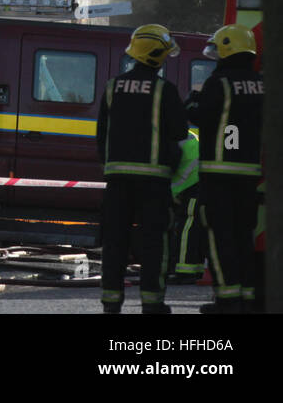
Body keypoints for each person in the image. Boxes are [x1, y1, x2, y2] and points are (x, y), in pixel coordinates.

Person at [96, 24, 187, 314]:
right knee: (154, 244)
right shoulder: (165, 91)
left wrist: (110, 168)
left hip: (118, 182)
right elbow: (180, 133)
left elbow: (101, 135)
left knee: (115, 244)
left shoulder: (113, 87)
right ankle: (152, 304)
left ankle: (111, 305)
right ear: (157, 56)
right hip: (154, 183)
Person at [188, 24, 264, 313]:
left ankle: (227, 299)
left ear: (229, 49)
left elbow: (203, 118)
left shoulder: (218, 82)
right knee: (243, 237)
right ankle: (244, 297)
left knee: (220, 240)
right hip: (248, 175)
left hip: (219, 174)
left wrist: (190, 106)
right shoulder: (259, 83)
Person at [169, 127, 206, 282]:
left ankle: (185, 271)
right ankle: (196, 268)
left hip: (194, 182)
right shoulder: (178, 133)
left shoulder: (162, 134)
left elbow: (170, 164)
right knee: (196, 225)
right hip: (199, 179)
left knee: (188, 225)